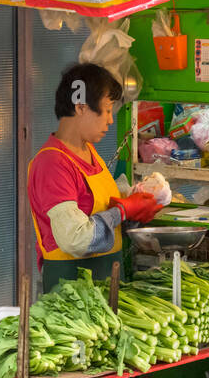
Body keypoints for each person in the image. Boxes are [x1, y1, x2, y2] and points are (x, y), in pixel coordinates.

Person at [27, 63, 160, 291]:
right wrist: (123, 210)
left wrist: (133, 208)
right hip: (71, 294)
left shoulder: (89, 152)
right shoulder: (53, 164)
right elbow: (75, 239)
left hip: (105, 283)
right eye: (107, 110)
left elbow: (98, 212)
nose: (110, 120)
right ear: (81, 107)